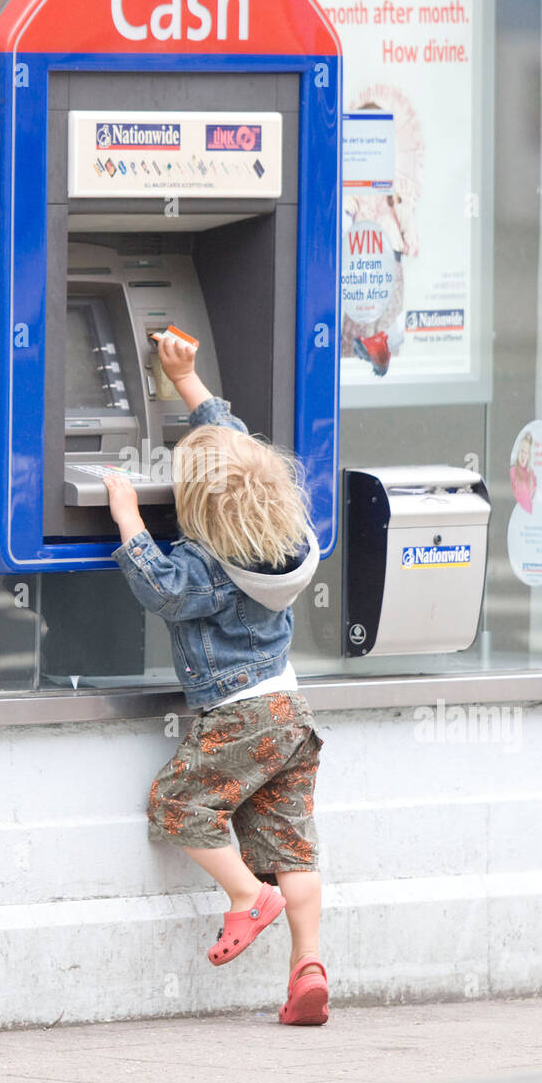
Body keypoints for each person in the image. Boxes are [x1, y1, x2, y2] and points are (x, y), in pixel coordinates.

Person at [103, 334, 329, 1025]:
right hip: (289, 713)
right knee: (289, 839)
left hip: (236, 717)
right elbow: (234, 450)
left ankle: (245, 898)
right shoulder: (278, 540)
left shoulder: (204, 570)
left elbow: (161, 589)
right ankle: (308, 964)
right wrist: (187, 379)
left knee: (176, 803)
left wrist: (128, 518)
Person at [510, 431, 537, 514]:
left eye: (526, 453)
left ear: (529, 455)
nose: (523, 455)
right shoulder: (512, 471)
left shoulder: (531, 475)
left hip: (528, 517)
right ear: (518, 452)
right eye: (522, 451)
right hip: (516, 515)